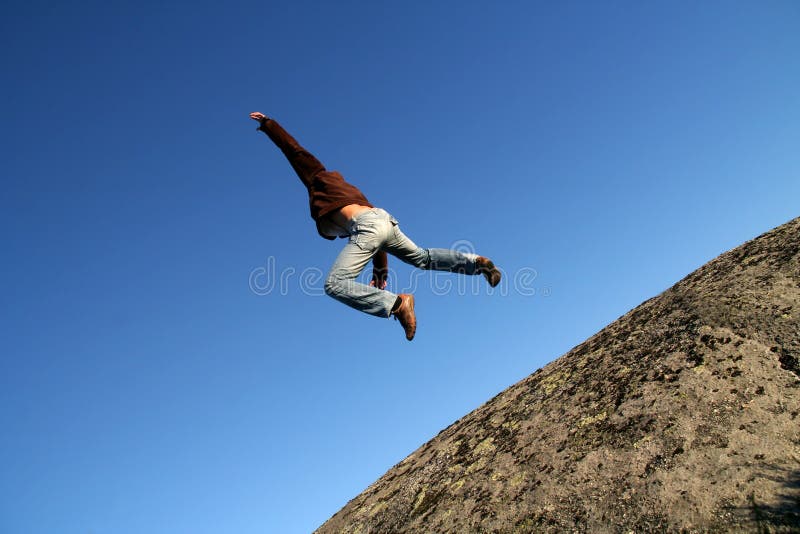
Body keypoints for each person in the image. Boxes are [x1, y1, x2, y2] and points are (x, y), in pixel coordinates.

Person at [250, 112, 501, 340]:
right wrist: (379, 274)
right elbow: (377, 240)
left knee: (334, 284)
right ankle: (476, 263)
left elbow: (296, 152)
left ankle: (397, 304)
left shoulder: (320, 180)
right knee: (423, 258)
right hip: (383, 221)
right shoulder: (353, 197)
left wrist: (269, 126)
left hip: (368, 225)